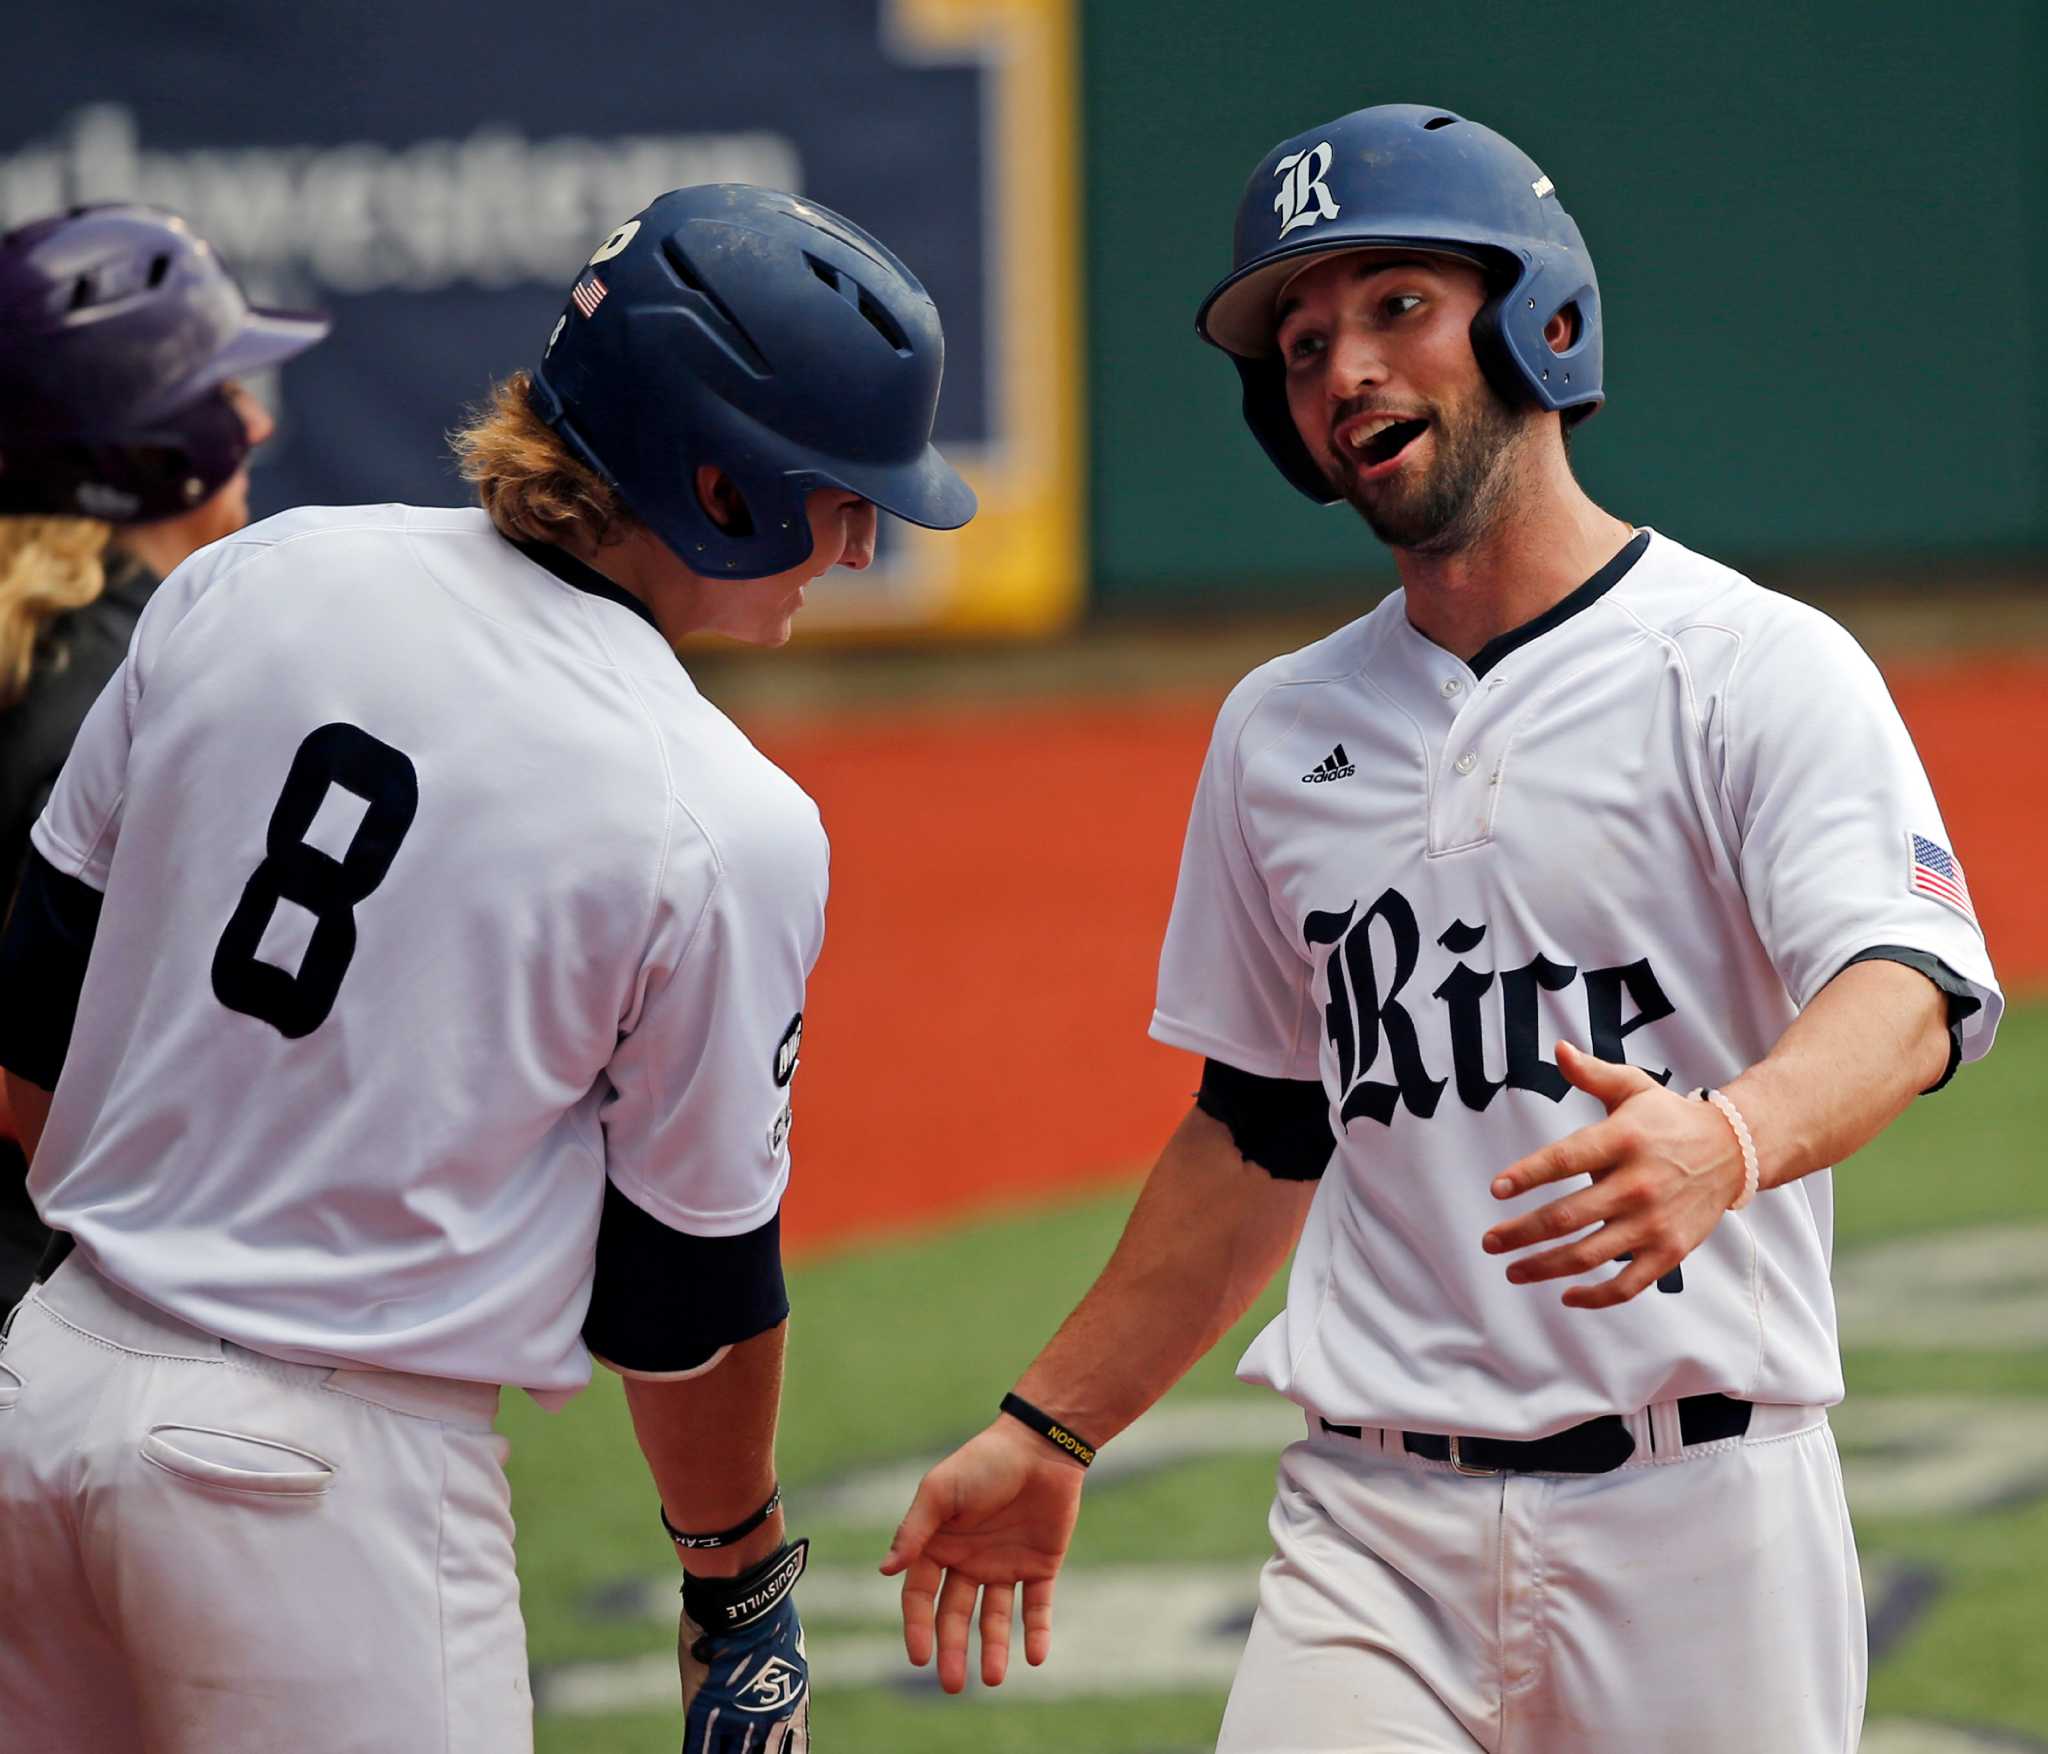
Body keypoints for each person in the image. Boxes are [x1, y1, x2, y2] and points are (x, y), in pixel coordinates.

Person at [881, 104, 2002, 1751]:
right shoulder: (1278, 729)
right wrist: (1052, 1418)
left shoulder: (1752, 663)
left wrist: (1730, 1139)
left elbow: (1905, 983)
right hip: (1370, 1526)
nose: (1340, 368)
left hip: (1701, 1521)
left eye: (1394, 304)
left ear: (1536, 318)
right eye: (1302, 342)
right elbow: (1260, 1124)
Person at [0, 183, 975, 1754]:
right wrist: (735, 1578)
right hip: (325, 1488)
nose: (859, 544)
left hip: (39, 1399)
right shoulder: (718, 812)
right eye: (839, 495)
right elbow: (687, 1301)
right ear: (716, 482)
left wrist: (164, 1267)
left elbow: (29, 1019)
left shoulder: (250, 579)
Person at [0, 202, 327, 1308]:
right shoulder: (141, 695)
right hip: (50, 1314)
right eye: (226, 391)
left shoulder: (43, 648)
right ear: (149, 441)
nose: (259, 424)